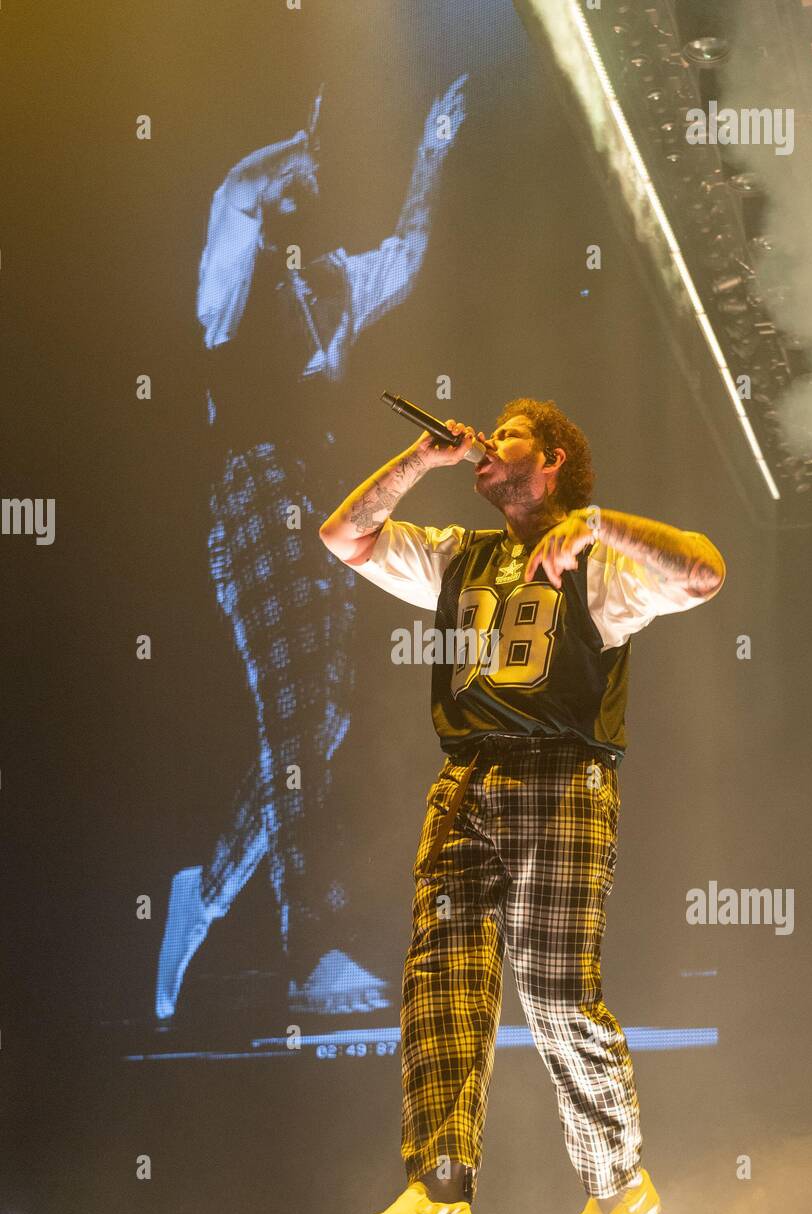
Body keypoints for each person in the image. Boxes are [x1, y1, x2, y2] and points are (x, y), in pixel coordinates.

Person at [319, 399, 726, 1214]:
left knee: (553, 994)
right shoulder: (457, 556)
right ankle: (439, 1188)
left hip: (562, 778)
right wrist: (417, 461)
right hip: (464, 777)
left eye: (507, 433)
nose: (486, 441)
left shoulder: (599, 561)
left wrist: (597, 525)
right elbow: (343, 538)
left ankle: (618, 1187)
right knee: (443, 980)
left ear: (550, 463)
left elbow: (703, 572)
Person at [153, 76, 468, 1021]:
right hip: (252, 495)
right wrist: (293, 143)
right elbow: (232, 198)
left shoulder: (335, 277)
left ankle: (199, 896)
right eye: (296, 178)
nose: (303, 191)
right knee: (300, 726)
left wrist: (429, 150)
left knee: (316, 723)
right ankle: (309, 948)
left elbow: (408, 254)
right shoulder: (231, 281)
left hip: (324, 507)